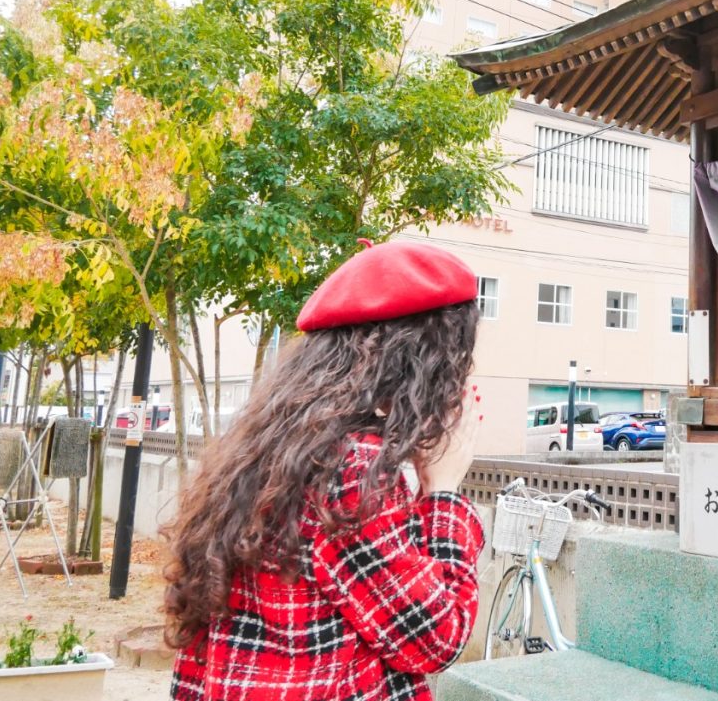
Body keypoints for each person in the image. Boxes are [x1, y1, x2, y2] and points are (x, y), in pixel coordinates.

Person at [165, 239, 486, 701]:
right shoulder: (351, 471)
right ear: (421, 364)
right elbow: (434, 640)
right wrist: (445, 493)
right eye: (457, 358)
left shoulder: (269, 447)